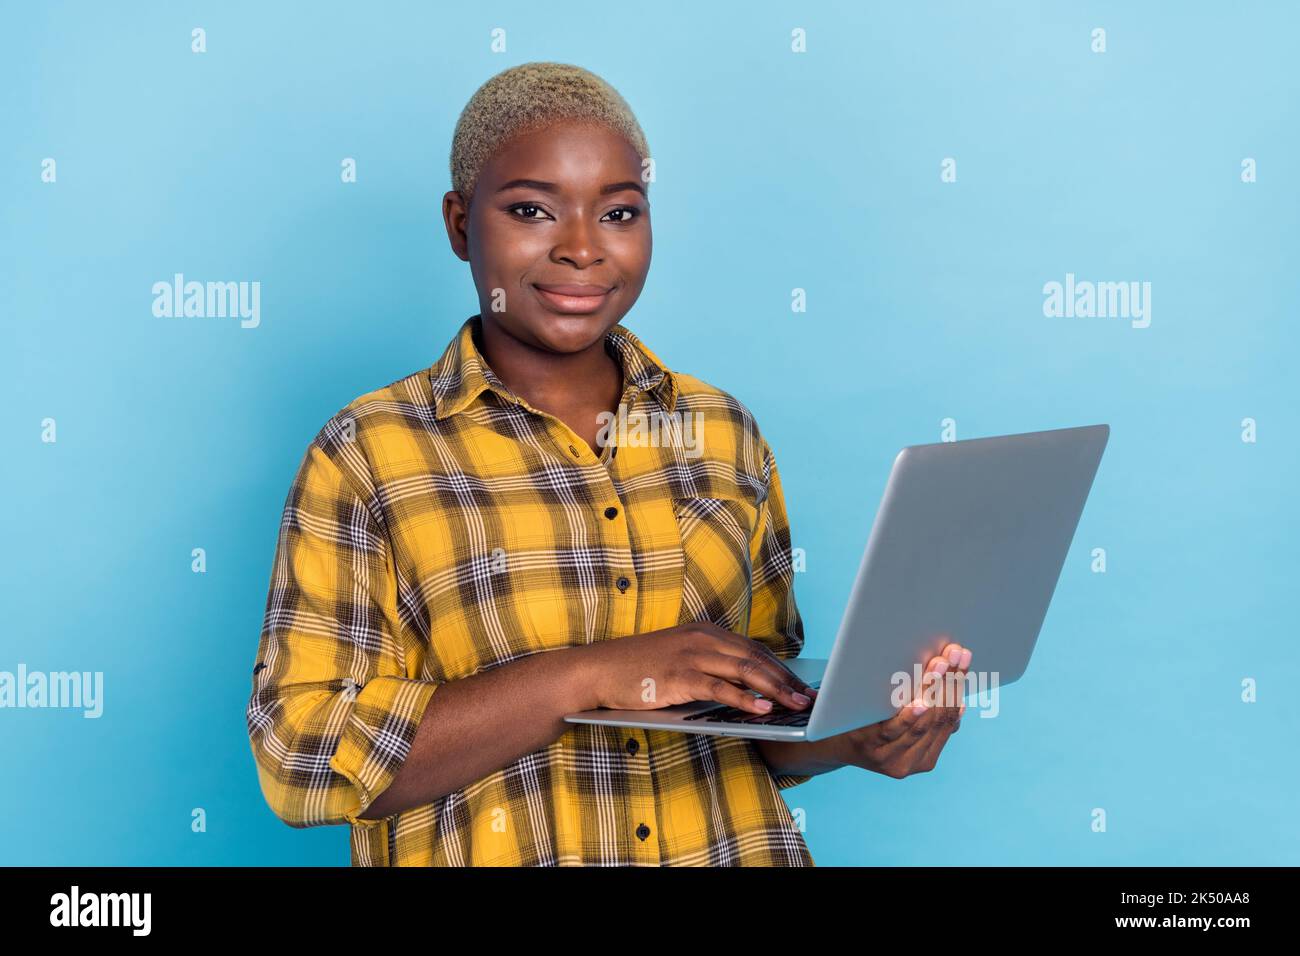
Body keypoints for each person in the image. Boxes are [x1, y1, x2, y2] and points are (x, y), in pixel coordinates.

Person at [245, 61, 971, 867]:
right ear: (459, 224)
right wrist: (589, 676)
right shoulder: (369, 453)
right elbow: (299, 762)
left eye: (620, 213)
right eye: (531, 210)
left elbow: (756, 728)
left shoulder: (723, 432)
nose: (583, 249)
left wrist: (855, 737)